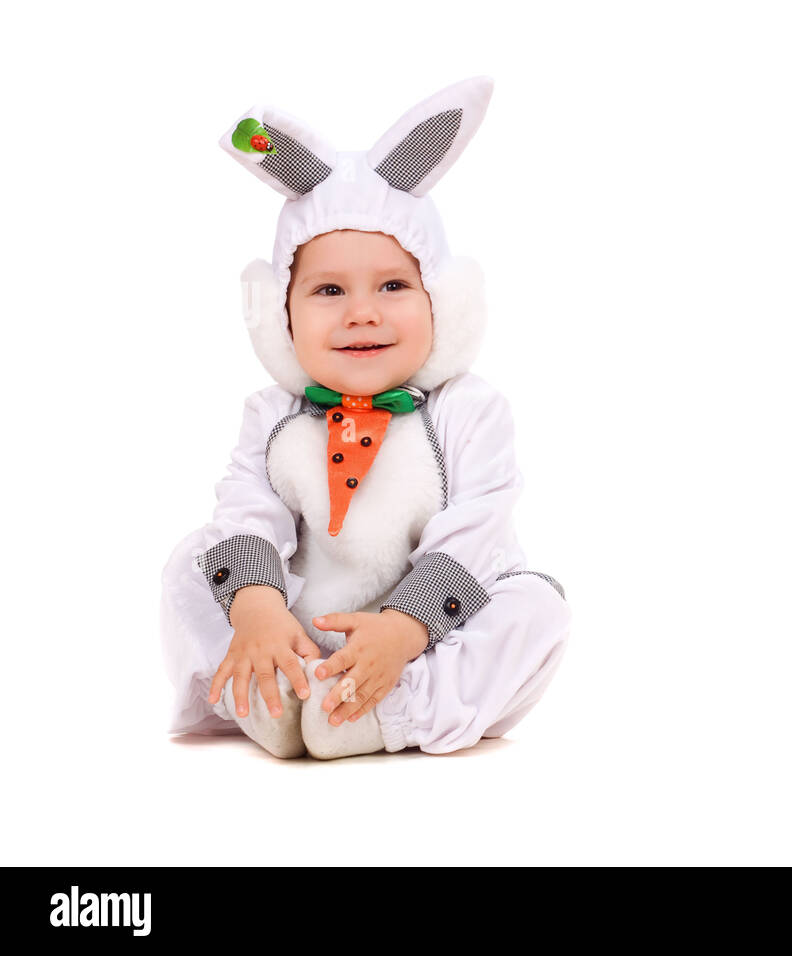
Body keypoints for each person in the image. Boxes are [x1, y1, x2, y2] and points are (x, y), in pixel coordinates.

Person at [158, 76, 570, 760]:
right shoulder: (272, 417)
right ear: (280, 314)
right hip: (301, 633)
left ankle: (384, 710)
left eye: (393, 285)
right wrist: (257, 607)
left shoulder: (469, 411)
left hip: (423, 642)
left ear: (441, 299)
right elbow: (245, 512)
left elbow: (478, 529)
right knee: (196, 563)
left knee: (537, 605)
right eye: (327, 290)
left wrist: (407, 627)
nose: (362, 312)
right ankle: (268, 688)